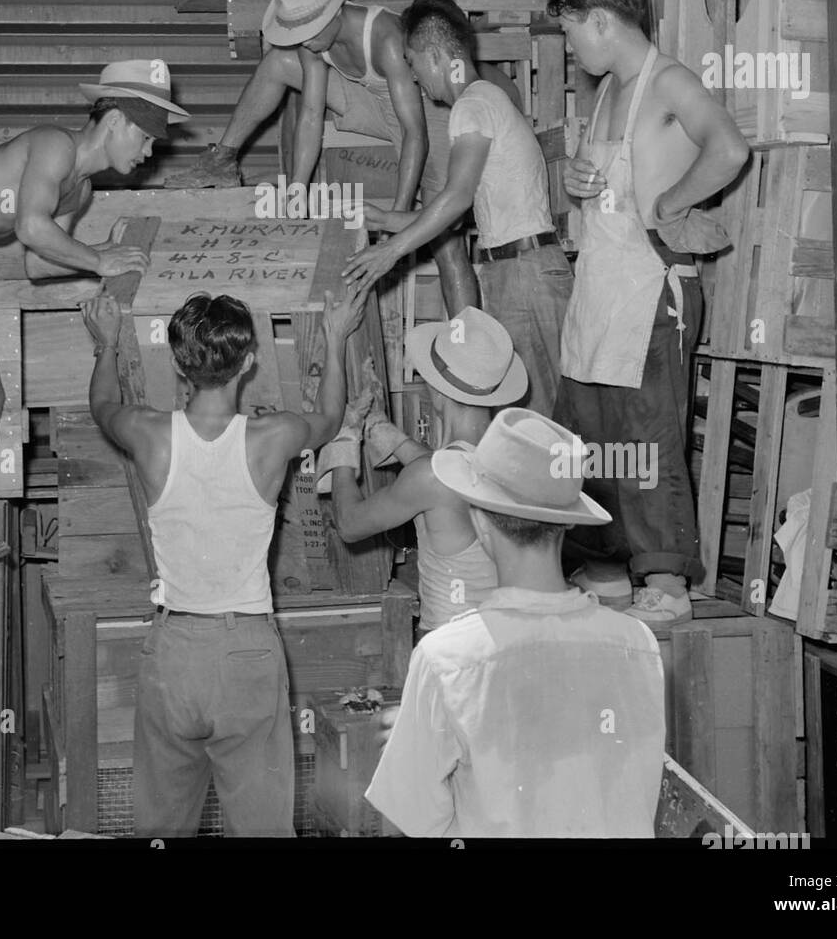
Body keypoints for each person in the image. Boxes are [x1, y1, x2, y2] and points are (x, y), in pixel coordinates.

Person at [81, 283, 367, 837]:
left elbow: (101, 407)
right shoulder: (275, 435)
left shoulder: (146, 432)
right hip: (247, 653)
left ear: (178, 365)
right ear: (250, 362)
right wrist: (334, 338)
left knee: (160, 829)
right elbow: (330, 418)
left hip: (172, 651)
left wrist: (107, 343)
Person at [0, 59, 189, 562]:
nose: (152, 149)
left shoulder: (80, 187)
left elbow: (36, 265)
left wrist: (99, 258)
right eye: (148, 135)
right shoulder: (55, 144)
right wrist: (98, 258)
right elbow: (30, 227)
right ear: (114, 123)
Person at [549, 0, 750, 627]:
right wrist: (579, 179)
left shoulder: (669, 81)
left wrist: (671, 200)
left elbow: (729, 149)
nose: (571, 47)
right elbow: (600, 179)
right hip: (601, 289)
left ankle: (665, 580)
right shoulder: (608, 89)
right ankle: (607, 567)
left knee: (649, 436)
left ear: (603, 21)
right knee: (593, 435)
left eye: (573, 32)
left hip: (652, 288)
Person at [364, 407, 666, 838]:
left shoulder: (447, 658)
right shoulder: (637, 643)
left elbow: (409, 822)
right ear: (566, 526)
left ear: (480, 522)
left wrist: (422, 741)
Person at [167, 0, 503, 315]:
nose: (305, 42)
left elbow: (414, 134)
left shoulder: (385, 37)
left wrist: (395, 223)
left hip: (426, 112)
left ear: (333, 13)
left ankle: (469, 346)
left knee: (444, 239)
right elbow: (311, 115)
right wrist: (297, 190)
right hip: (373, 103)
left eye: (310, 32)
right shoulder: (311, 40)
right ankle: (222, 158)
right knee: (277, 63)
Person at [344, 0, 573, 418]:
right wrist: (383, 219)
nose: (413, 77)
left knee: (538, 420)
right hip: (519, 268)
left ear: (434, 56)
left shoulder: (471, 106)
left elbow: (456, 197)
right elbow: (454, 211)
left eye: (412, 64)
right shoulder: (483, 101)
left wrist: (390, 251)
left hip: (525, 273)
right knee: (531, 417)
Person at [320, 308, 524, 634]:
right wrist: (385, 431)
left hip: (450, 645)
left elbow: (349, 524)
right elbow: (449, 473)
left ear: (439, 393)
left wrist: (343, 439)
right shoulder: (514, 454)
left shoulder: (430, 477)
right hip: (503, 635)